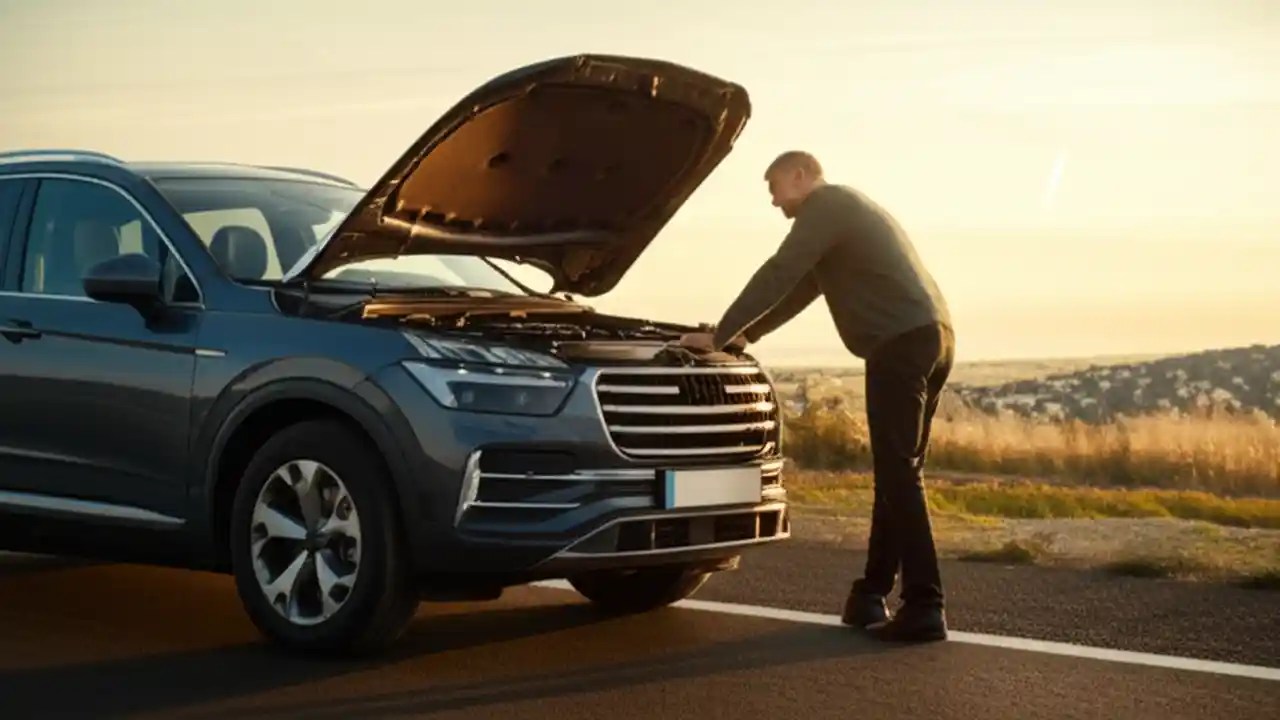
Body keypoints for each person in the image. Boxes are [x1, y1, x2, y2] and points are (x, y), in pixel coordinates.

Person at [677, 150, 955, 642]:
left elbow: (780, 271)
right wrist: (747, 336)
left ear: (801, 176)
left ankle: (925, 604)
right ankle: (870, 594)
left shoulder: (826, 206)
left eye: (776, 189)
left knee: (899, 475)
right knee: (897, 474)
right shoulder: (844, 215)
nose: (774, 203)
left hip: (901, 342)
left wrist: (719, 336)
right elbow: (801, 289)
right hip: (932, 337)